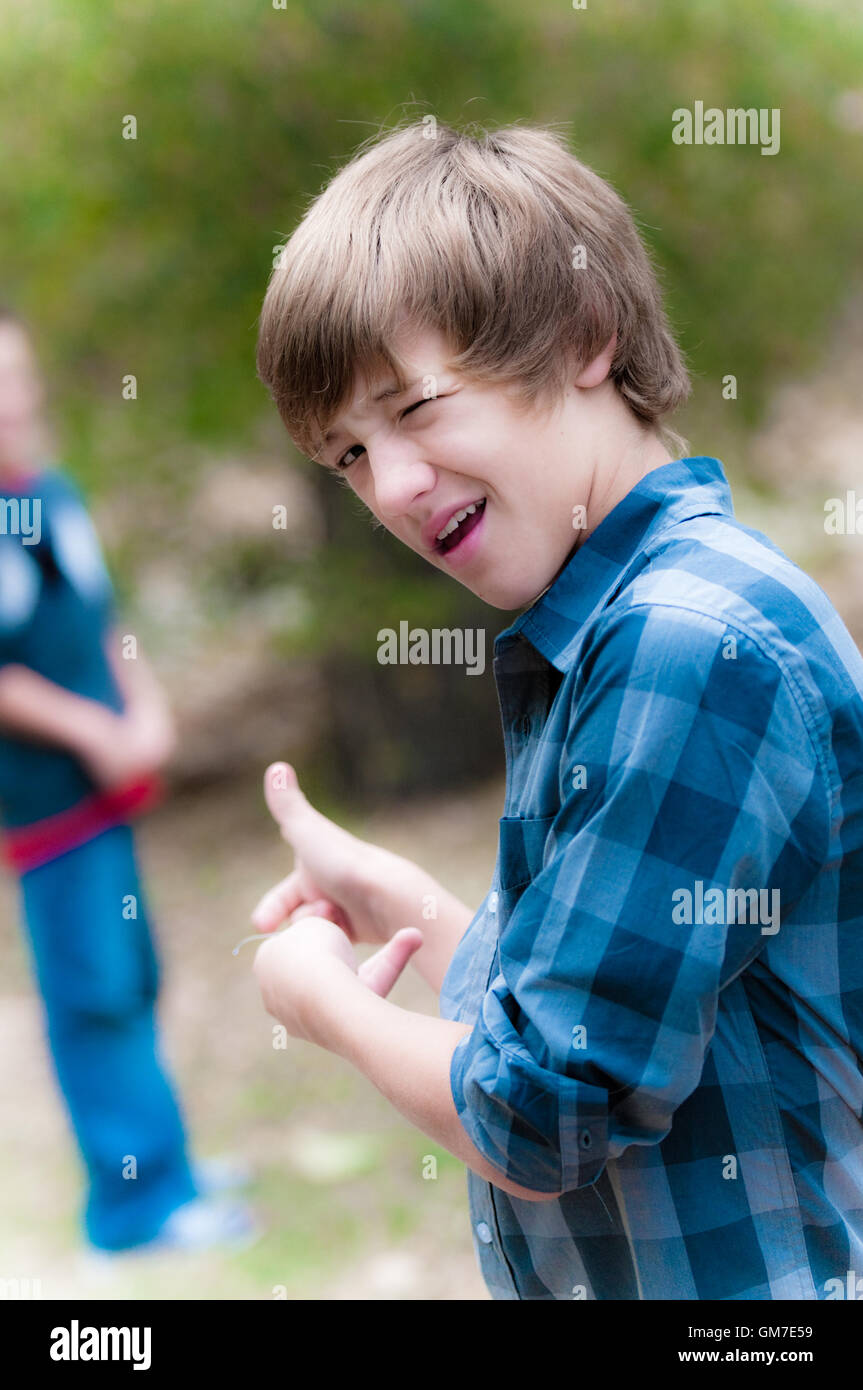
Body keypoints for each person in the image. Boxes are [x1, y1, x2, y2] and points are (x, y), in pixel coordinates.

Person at [249, 121, 863, 1300]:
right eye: (348, 457)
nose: (392, 486)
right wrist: (409, 908)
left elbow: (543, 1123)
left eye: (416, 407)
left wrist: (321, 1003)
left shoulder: (683, 648)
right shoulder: (619, 623)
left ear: (586, 337)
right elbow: (612, 1004)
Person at [0, 307, 253, 1253]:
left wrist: (144, 709)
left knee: (137, 974)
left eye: (18, 377)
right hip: (47, 809)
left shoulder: (52, 497)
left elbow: (96, 623)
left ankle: (166, 1165)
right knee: (92, 990)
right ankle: (133, 1205)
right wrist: (90, 731)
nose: (12, 401)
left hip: (110, 794)